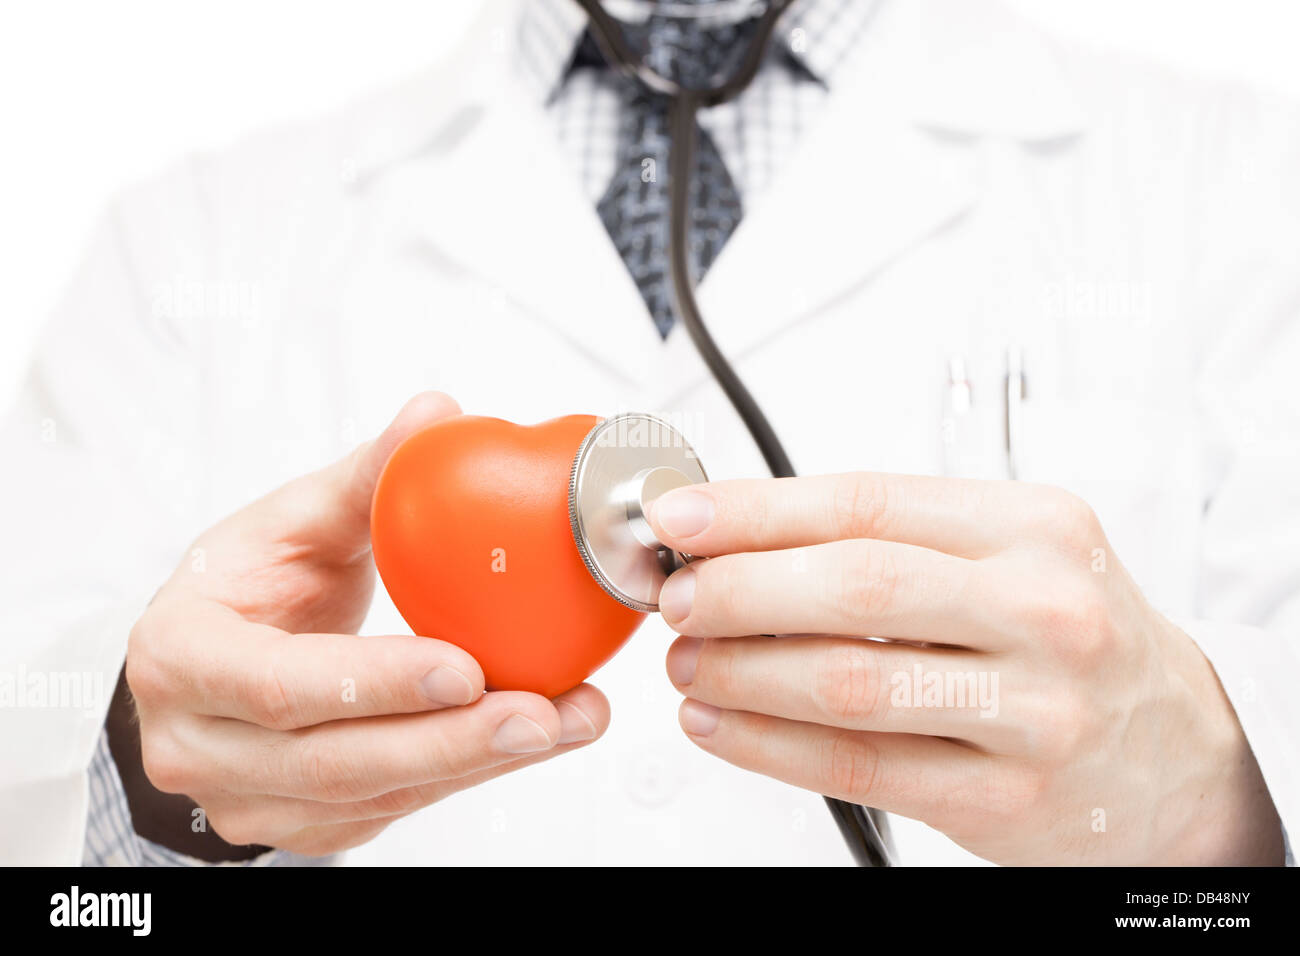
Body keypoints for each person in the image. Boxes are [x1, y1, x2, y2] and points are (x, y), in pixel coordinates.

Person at [2, 0, 1296, 866]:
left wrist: (1214, 790)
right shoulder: (190, 244)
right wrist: (152, 793)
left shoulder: (1233, 188)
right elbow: (39, 820)